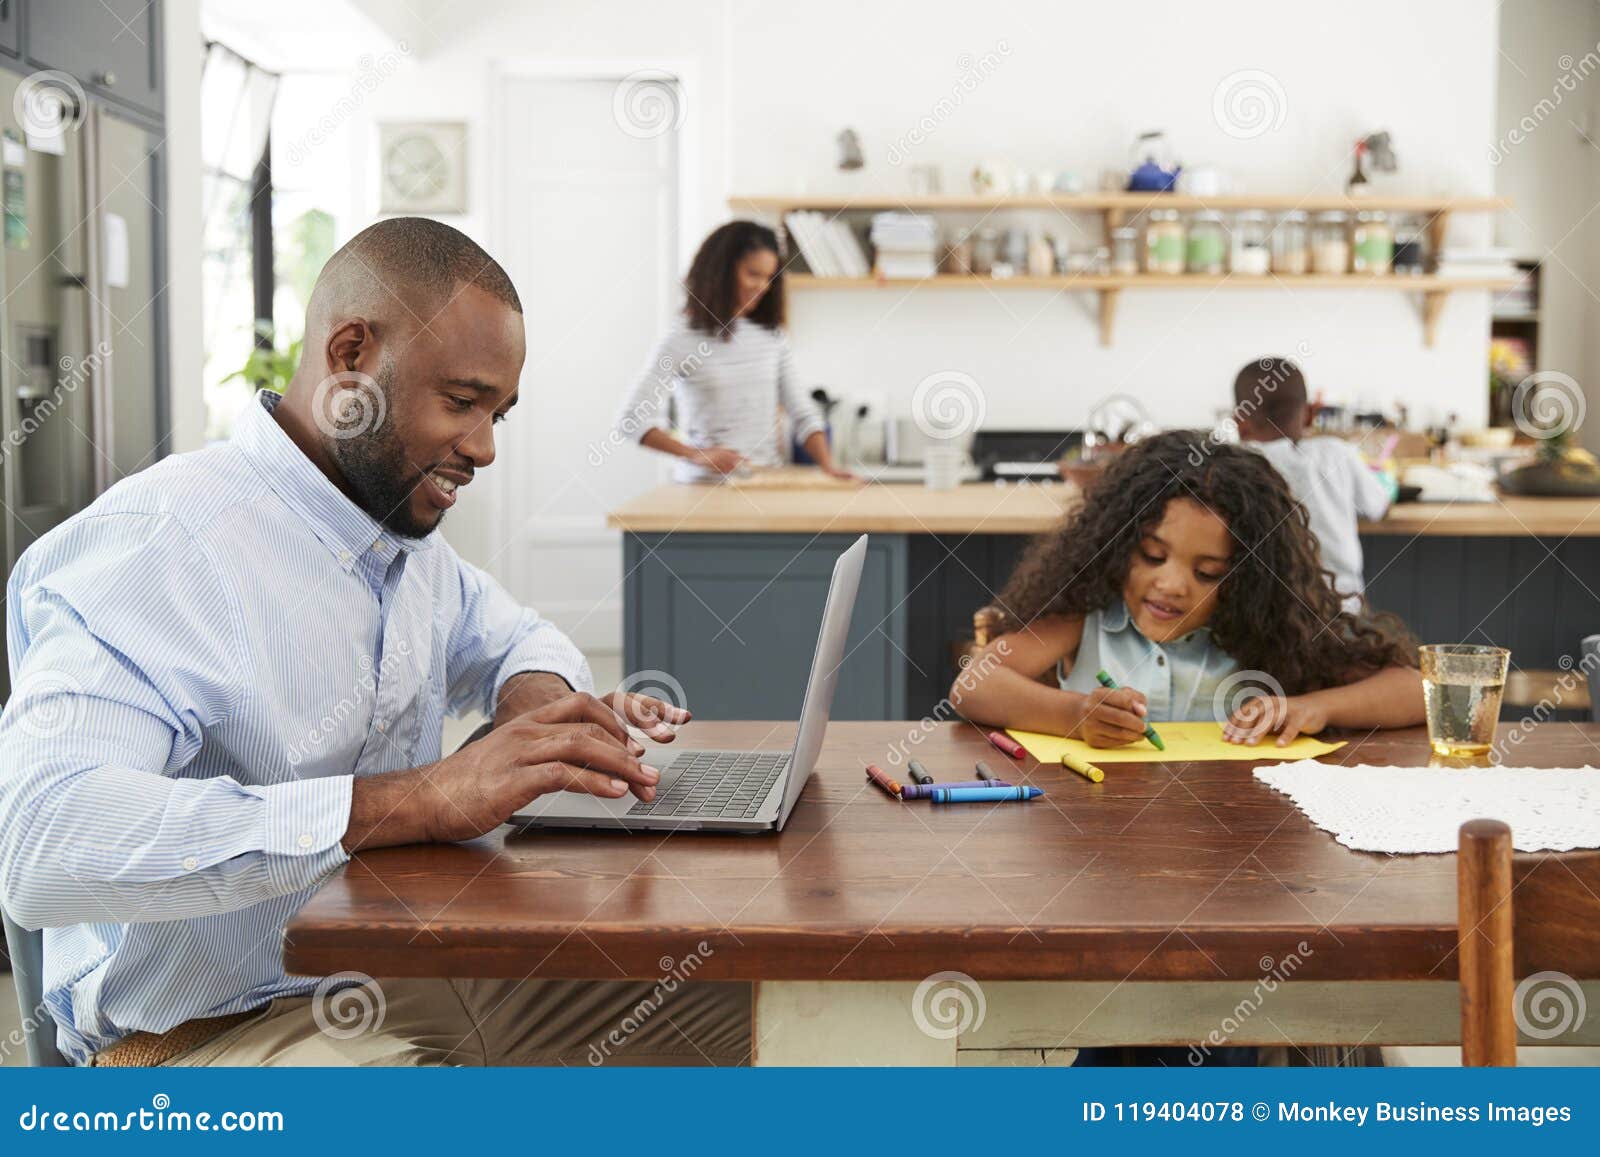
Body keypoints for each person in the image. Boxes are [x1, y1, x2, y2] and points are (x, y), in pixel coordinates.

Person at [0, 218, 749, 1067]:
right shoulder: (162, 542)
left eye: (497, 413)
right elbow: (41, 840)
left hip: (399, 977)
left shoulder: (398, 532)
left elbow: (517, 639)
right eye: (462, 403)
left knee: (753, 1022)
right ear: (350, 354)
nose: (485, 446)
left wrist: (540, 711)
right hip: (207, 1037)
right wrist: (417, 798)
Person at [950, 430, 1424, 750]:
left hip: (1231, 845)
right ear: (1117, 546)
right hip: (1095, 842)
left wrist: (1314, 707)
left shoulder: (1270, 627)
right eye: (1153, 557)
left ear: (1247, 579)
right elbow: (973, 685)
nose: (1171, 585)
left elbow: (1417, 690)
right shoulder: (1089, 614)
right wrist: (1074, 713)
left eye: (1209, 571)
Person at [617, 220, 853, 481]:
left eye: (768, 278)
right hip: (703, 490)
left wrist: (828, 466)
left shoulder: (771, 337)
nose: (762, 287)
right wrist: (698, 455)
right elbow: (632, 419)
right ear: (721, 271)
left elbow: (803, 413)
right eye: (753, 274)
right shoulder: (683, 338)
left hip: (762, 483)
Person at [1232, 356, 1391, 606]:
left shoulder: (1232, 466)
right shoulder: (1337, 453)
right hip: (1343, 613)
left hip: (1264, 618)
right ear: (1310, 414)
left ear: (1240, 422)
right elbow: (1378, 505)